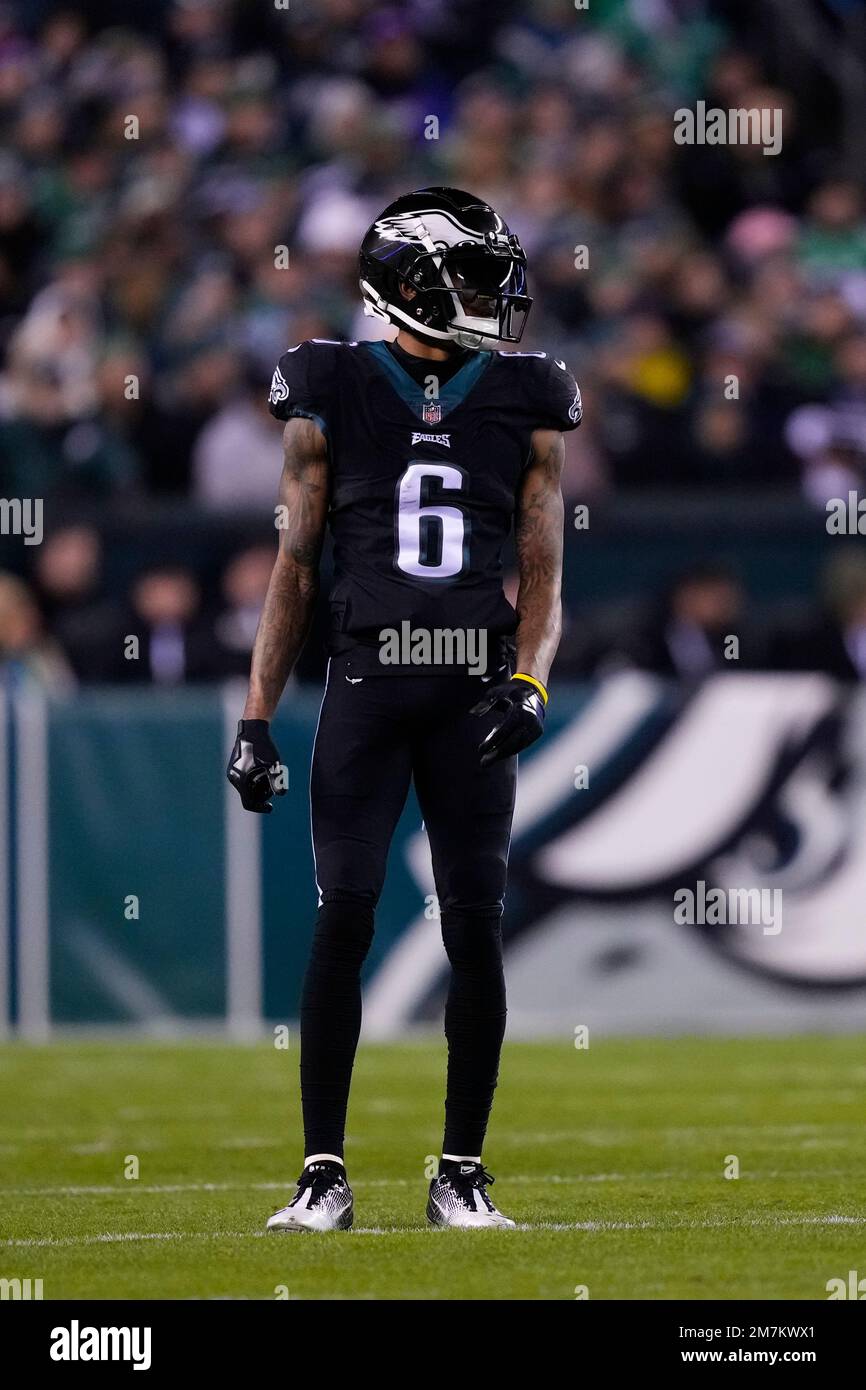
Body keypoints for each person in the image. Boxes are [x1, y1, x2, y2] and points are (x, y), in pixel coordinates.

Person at [227, 186, 581, 1232]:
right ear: (408, 282)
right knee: (344, 916)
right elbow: (293, 565)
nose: (492, 297)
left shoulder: (528, 394)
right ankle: (321, 1173)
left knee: (475, 926)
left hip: (472, 682)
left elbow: (544, 567)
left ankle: (459, 1172)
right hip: (368, 678)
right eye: (472, 276)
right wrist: (255, 716)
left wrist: (529, 679)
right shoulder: (328, 377)